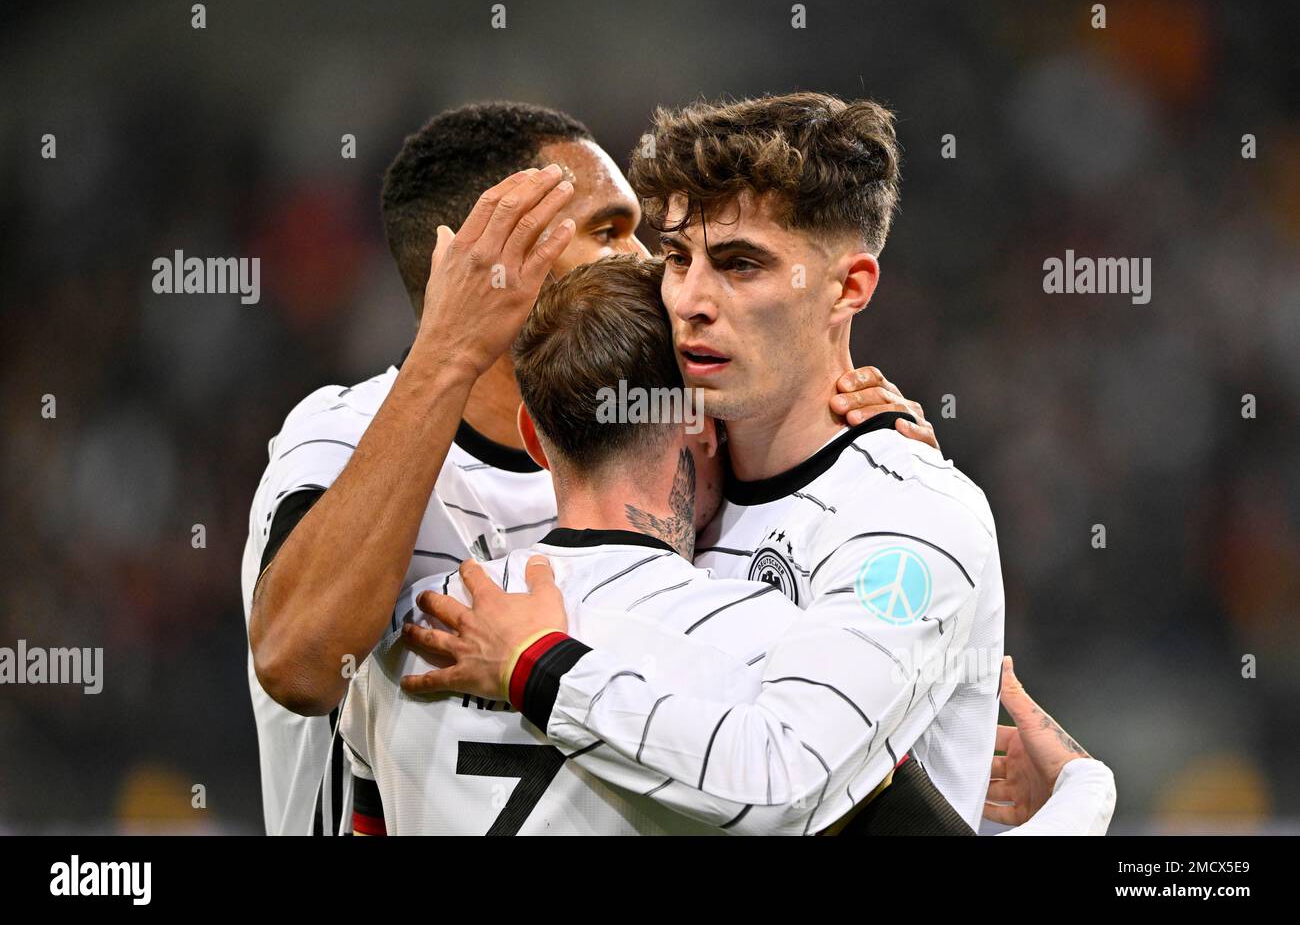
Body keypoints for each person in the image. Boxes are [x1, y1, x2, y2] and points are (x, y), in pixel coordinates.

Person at [242, 102, 929, 834]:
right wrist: (447, 347)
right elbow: (302, 664)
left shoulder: (675, 439)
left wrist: (877, 473)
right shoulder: (345, 431)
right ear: (490, 257)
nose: (649, 263)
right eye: (610, 231)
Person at [406, 93, 1007, 833]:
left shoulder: (906, 514)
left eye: (739, 265)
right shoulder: (662, 488)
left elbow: (784, 782)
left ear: (848, 287)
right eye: (678, 258)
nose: (689, 299)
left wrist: (538, 666)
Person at [345, 257, 1114, 835]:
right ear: (702, 420)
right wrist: (1084, 790)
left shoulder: (405, 633)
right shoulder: (765, 651)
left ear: (533, 440)